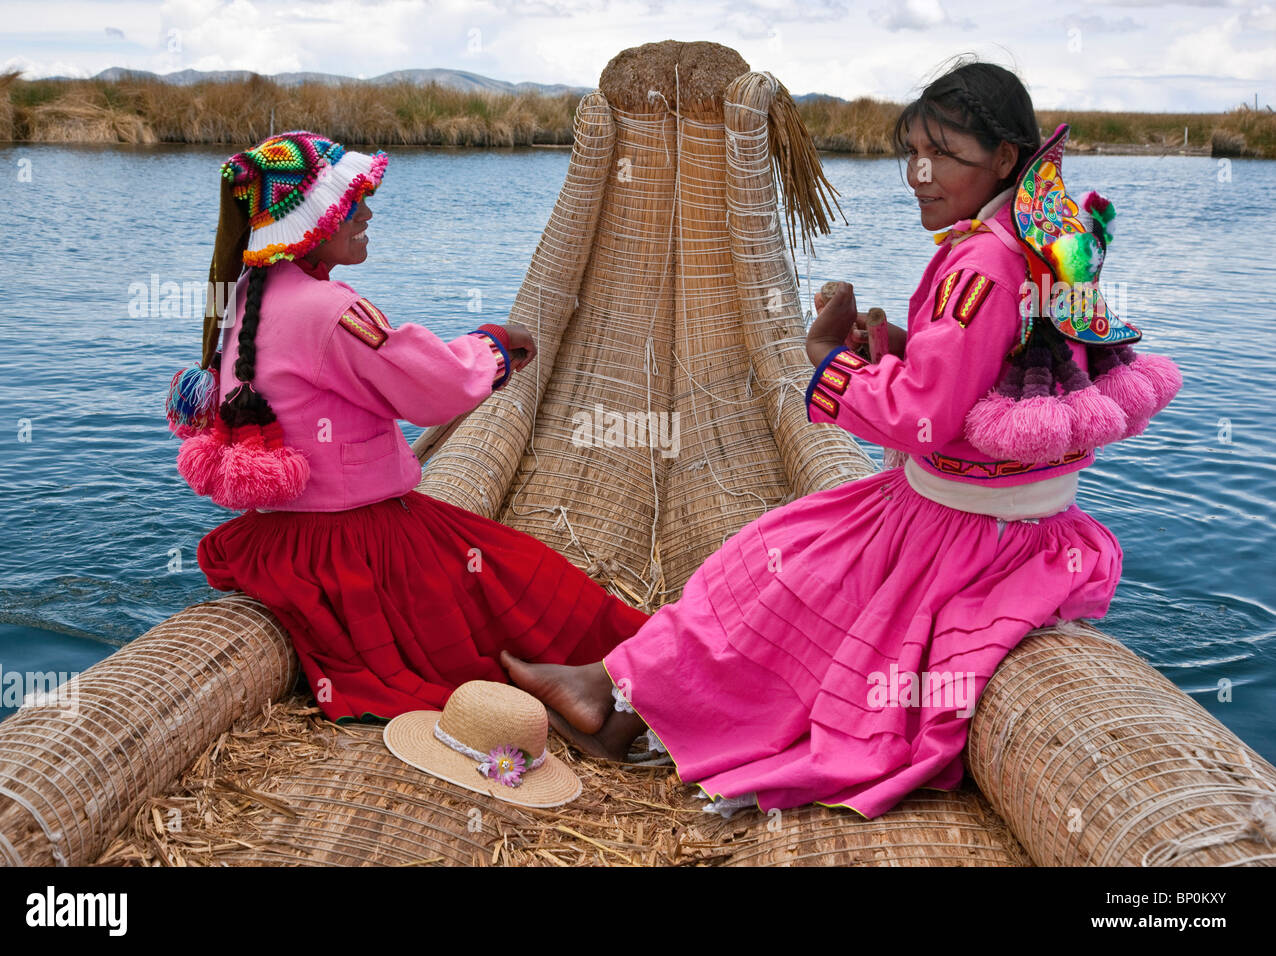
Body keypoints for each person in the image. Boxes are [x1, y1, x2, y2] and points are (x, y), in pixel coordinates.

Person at [500, 60, 1181, 820]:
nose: (921, 175)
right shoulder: (1036, 239)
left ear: (1005, 158)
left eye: (947, 155)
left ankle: (610, 698)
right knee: (768, 553)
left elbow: (922, 415)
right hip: (1017, 520)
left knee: (776, 567)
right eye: (914, 154)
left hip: (965, 534)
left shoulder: (981, 264)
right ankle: (613, 696)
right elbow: (982, 376)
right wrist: (889, 342)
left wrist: (833, 362)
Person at [164, 130, 648, 723]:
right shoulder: (331, 310)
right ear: (311, 223)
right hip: (354, 545)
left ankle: (604, 687)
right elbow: (428, 388)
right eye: (351, 203)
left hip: (280, 539)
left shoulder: (247, 297)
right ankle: (636, 682)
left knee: (507, 578)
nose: (367, 212)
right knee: (538, 588)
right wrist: (492, 348)